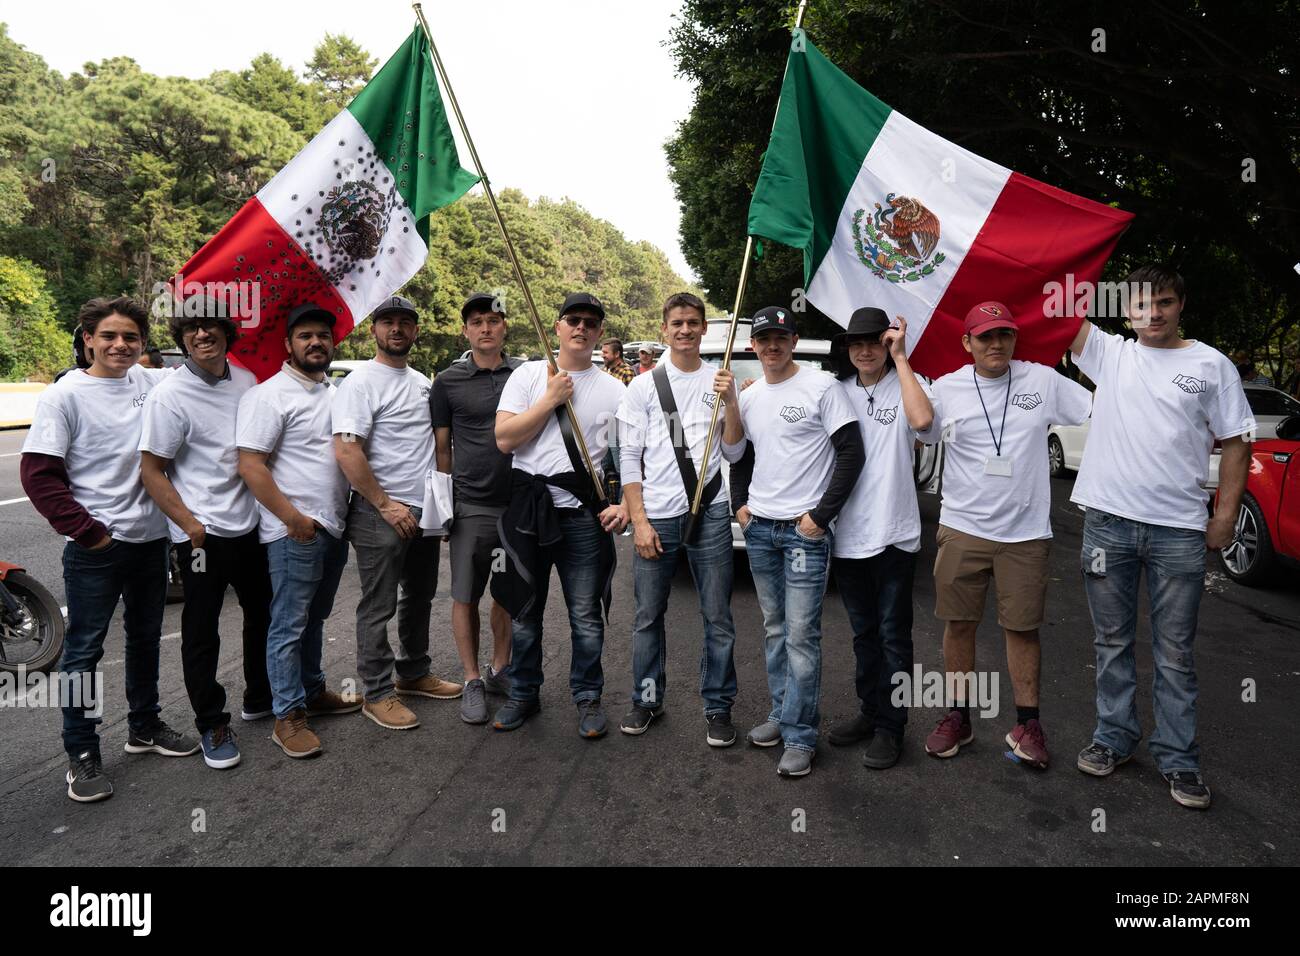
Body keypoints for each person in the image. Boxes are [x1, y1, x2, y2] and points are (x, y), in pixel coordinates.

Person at [1069, 265, 1253, 809]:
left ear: (1180, 305)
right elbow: (1052, 303)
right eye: (1142, 305)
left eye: (1164, 303)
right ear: (1125, 308)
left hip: (1178, 529)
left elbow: (1236, 444)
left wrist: (1224, 516)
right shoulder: (1109, 353)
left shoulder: (1211, 365)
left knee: (1174, 651)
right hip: (1107, 522)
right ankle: (1114, 739)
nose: (1153, 314)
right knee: (1111, 642)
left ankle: (1178, 758)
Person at [20, 296, 199, 802]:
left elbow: (212, 363)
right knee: (82, 652)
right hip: (97, 549)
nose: (120, 345)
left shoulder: (150, 382)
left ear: (144, 344)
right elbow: (38, 476)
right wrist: (90, 532)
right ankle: (80, 753)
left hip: (152, 543)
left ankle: (144, 727)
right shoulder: (66, 395)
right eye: (109, 336)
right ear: (87, 340)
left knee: (145, 640)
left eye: (131, 337)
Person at [924, 301, 1093, 770]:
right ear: (967, 343)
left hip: (1025, 533)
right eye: (985, 336)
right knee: (959, 625)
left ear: (1015, 339)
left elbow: (1098, 411)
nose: (996, 344)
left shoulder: (1041, 380)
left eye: (1004, 335)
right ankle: (958, 716)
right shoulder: (947, 387)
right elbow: (922, 431)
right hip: (962, 528)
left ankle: (1028, 724)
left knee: (1022, 629)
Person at [721, 305, 864, 777]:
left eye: (780, 337)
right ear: (753, 346)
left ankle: (802, 735)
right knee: (775, 629)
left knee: (803, 636)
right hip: (760, 528)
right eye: (764, 339)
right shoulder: (752, 394)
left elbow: (851, 453)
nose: (772, 345)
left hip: (803, 534)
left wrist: (821, 517)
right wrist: (740, 505)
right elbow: (740, 455)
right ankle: (781, 716)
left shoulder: (822, 385)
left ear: (794, 340)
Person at [138, 297, 273, 770]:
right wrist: (191, 525)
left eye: (211, 326)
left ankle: (259, 697)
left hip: (250, 526)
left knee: (264, 615)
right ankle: (212, 721)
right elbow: (152, 470)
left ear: (225, 333)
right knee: (201, 630)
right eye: (192, 328)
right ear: (182, 338)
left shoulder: (247, 381)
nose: (202, 334)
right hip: (201, 536)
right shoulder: (169, 395)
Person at [491, 292, 628, 737]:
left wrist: (625, 503)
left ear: (600, 332)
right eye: (573, 319)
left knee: (585, 616)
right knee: (525, 612)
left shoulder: (614, 389)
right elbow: (505, 439)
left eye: (591, 321)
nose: (581, 327)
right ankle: (523, 694)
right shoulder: (529, 376)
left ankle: (588, 697)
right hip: (529, 513)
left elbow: (626, 456)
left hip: (583, 518)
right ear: (557, 326)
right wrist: (549, 399)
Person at [236, 303, 362, 759]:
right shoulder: (269, 396)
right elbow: (250, 465)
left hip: (332, 526)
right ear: (288, 344)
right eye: (305, 335)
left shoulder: (335, 393)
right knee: (288, 623)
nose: (316, 343)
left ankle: (313, 691)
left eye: (323, 336)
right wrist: (294, 520)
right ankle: (287, 715)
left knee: (315, 618)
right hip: (294, 532)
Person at [333, 295, 462, 731]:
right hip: (379, 513)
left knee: (420, 596)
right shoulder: (360, 382)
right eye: (388, 321)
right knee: (378, 605)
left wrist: (441, 510)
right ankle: (377, 692)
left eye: (406, 322)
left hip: (424, 512)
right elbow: (347, 449)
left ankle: (413, 673)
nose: (397, 329)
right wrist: (386, 505)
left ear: (415, 330)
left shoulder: (423, 382)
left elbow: (434, 447)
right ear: (374, 330)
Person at [617, 292, 740, 747]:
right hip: (658, 515)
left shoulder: (720, 380)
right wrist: (639, 520)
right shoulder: (644, 386)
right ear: (664, 329)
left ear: (705, 328)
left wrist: (731, 405)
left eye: (693, 322)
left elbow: (734, 451)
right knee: (648, 616)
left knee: (718, 617)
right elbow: (629, 458)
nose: (685, 330)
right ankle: (647, 699)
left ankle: (718, 707)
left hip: (709, 512)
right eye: (677, 323)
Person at [825, 308, 941, 770]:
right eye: (857, 343)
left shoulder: (907, 383)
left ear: (887, 343)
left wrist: (903, 359)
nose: (866, 349)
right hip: (848, 533)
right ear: (847, 349)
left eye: (875, 341)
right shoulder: (835, 392)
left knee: (895, 636)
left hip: (894, 532)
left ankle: (893, 727)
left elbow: (926, 427)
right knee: (863, 634)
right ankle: (869, 712)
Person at [429, 292, 519, 724]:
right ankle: (470, 679)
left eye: (494, 319)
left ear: (505, 326)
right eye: (477, 321)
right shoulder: (447, 381)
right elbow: (441, 449)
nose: (486, 327)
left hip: (517, 507)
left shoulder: (525, 375)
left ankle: (500, 669)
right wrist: (445, 508)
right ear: (465, 330)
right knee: (465, 596)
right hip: (471, 506)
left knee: (506, 595)